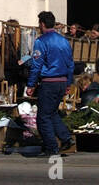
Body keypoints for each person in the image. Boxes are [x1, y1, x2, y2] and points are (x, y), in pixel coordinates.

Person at [23, 10, 74, 156]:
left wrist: (31, 84)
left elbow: (36, 65)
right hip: (62, 81)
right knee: (52, 112)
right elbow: (70, 64)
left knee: (43, 117)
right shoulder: (64, 41)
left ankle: (51, 146)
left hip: (49, 82)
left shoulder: (41, 41)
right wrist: (68, 83)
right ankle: (65, 138)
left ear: (42, 24)